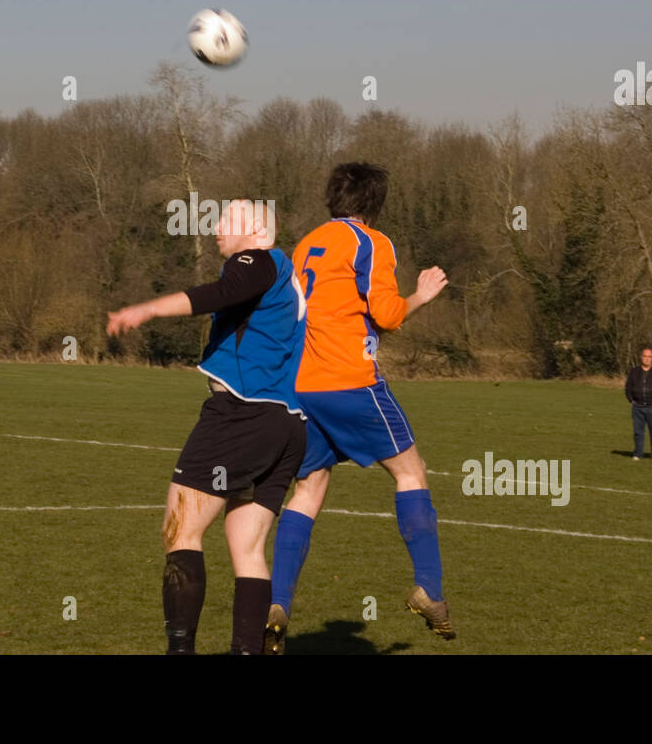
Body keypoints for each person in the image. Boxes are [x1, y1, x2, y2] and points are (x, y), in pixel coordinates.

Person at [265, 162, 453, 654]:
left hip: (301, 384)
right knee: (411, 471)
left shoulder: (306, 243)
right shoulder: (371, 242)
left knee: (308, 488)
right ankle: (429, 589)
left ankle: (277, 603)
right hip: (349, 380)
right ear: (375, 204)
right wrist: (420, 297)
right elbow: (387, 314)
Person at [106, 199, 306, 654]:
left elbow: (218, 294)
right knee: (248, 550)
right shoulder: (286, 274)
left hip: (241, 414)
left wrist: (149, 310)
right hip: (286, 425)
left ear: (257, 230)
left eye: (228, 219)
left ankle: (180, 650)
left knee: (181, 532)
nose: (216, 226)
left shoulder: (255, 260)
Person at [625, 347, 652, 461]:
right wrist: (631, 400)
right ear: (641, 357)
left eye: (649, 357)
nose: (647, 359)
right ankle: (637, 454)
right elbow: (628, 387)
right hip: (637, 407)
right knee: (638, 433)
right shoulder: (634, 371)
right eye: (645, 356)